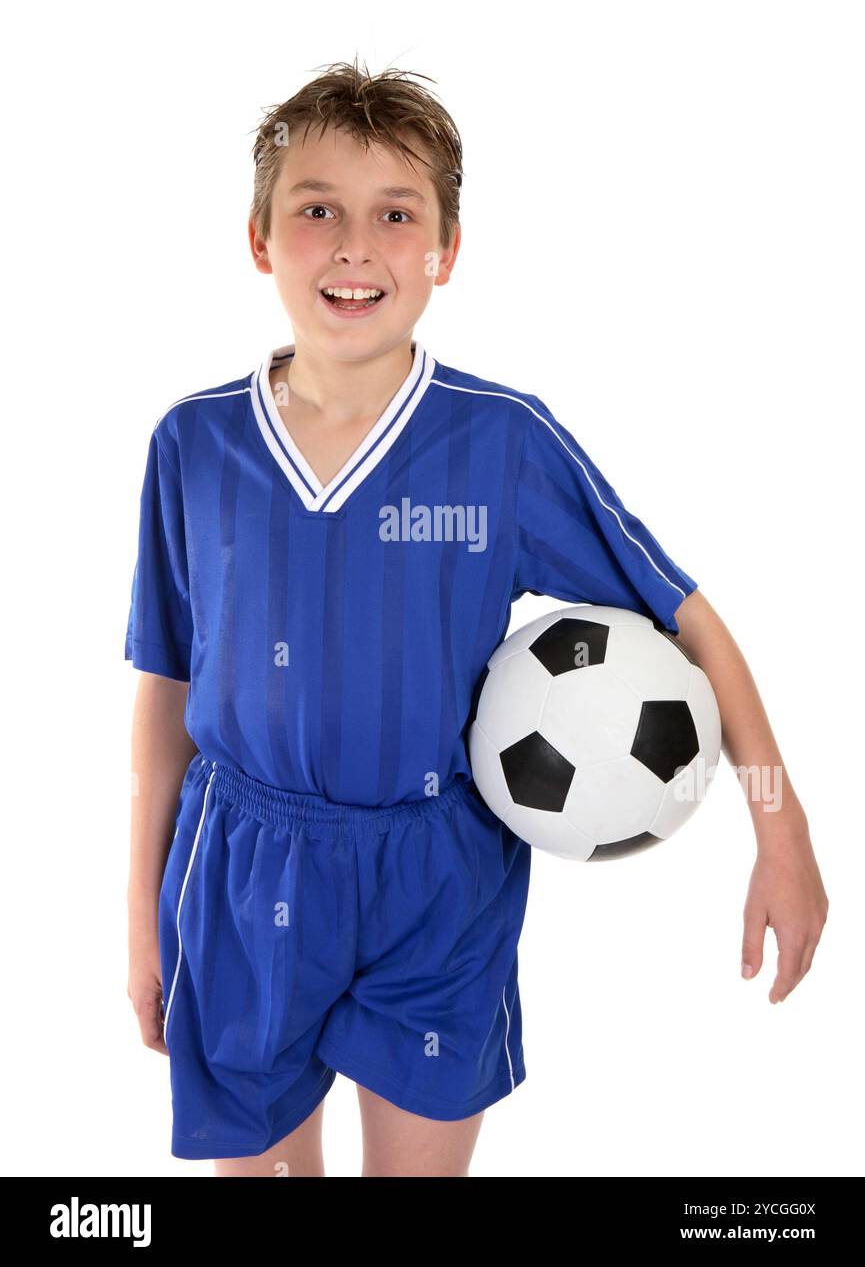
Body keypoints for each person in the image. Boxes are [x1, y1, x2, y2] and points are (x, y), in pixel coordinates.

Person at [125, 58, 828, 1178]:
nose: (355, 244)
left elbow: (687, 616)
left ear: (444, 250)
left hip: (438, 877)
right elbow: (165, 687)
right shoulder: (192, 445)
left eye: (394, 214)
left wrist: (778, 831)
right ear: (260, 239)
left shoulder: (500, 442)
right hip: (244, 870)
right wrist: (143, 910)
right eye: (317, 210)